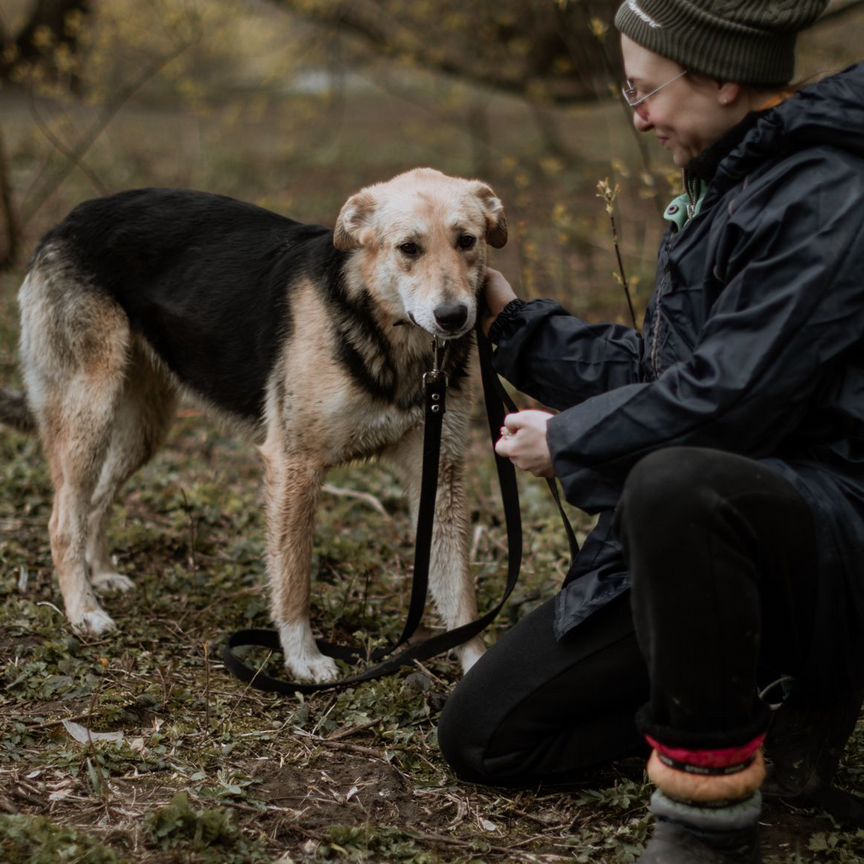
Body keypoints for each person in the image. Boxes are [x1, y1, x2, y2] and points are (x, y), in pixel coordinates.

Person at [436, 1, 864, 861]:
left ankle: (708, 819)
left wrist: (574, 442)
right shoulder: (738, 177)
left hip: (828, 528)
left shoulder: (827, 193)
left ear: (722, 76)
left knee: (675, 483)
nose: (637, 117)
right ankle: (755, 704)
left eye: (645, 91)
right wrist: (516, 327)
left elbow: (732, 397)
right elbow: (679, 370)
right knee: (486, 735)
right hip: (724, 532)